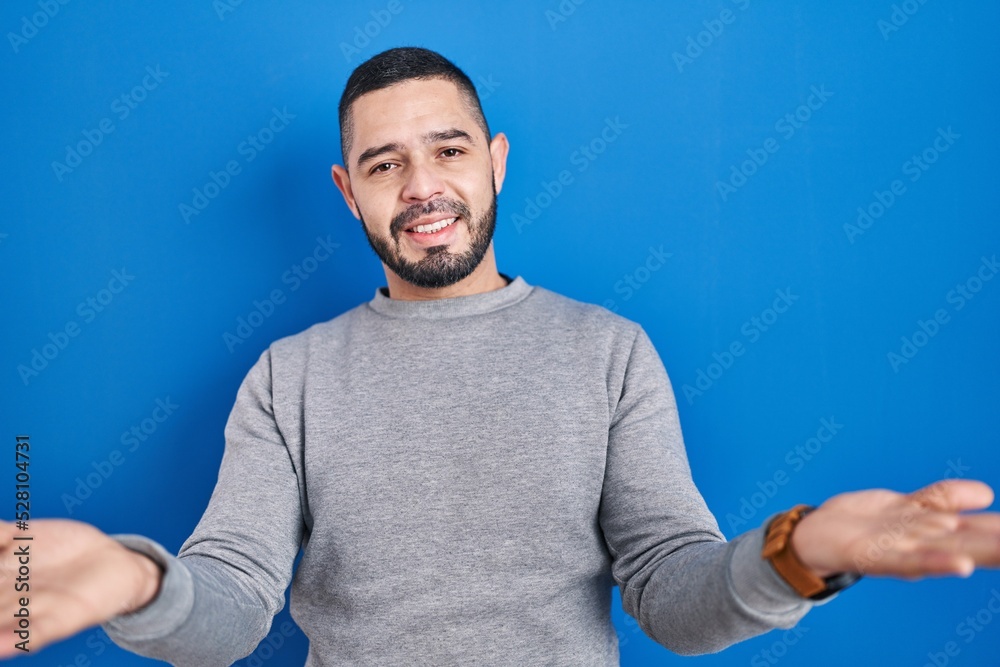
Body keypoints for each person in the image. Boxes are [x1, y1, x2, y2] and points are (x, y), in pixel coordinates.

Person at [1, 46, 998, 666]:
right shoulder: (288, 376)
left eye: (449, 149)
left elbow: (675, 601)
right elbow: (228, 614)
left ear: (496, 161)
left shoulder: (609, 352)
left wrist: (801, 551)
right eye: (386, 164)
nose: (423, 184)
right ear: (350, 194)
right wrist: (138, 581)